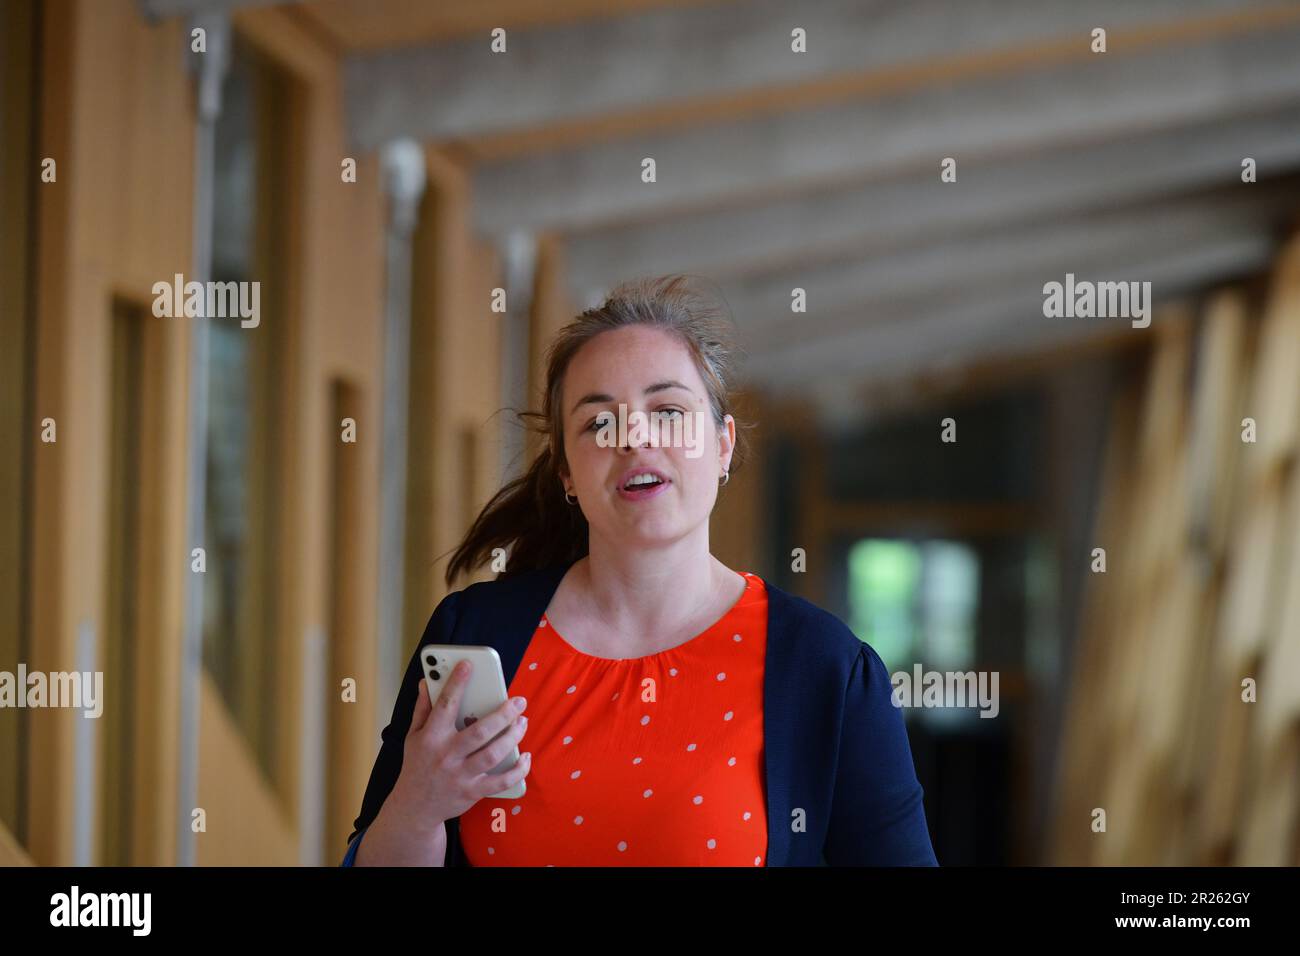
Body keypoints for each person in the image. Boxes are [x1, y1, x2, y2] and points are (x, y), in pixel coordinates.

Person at [342, 274, 938, 866]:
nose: (633, 438)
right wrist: (418, 805)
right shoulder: (477, 635)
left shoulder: (823, 667)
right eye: (599, 422)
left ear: (723, 444)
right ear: (567, 472)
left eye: (668, 411)